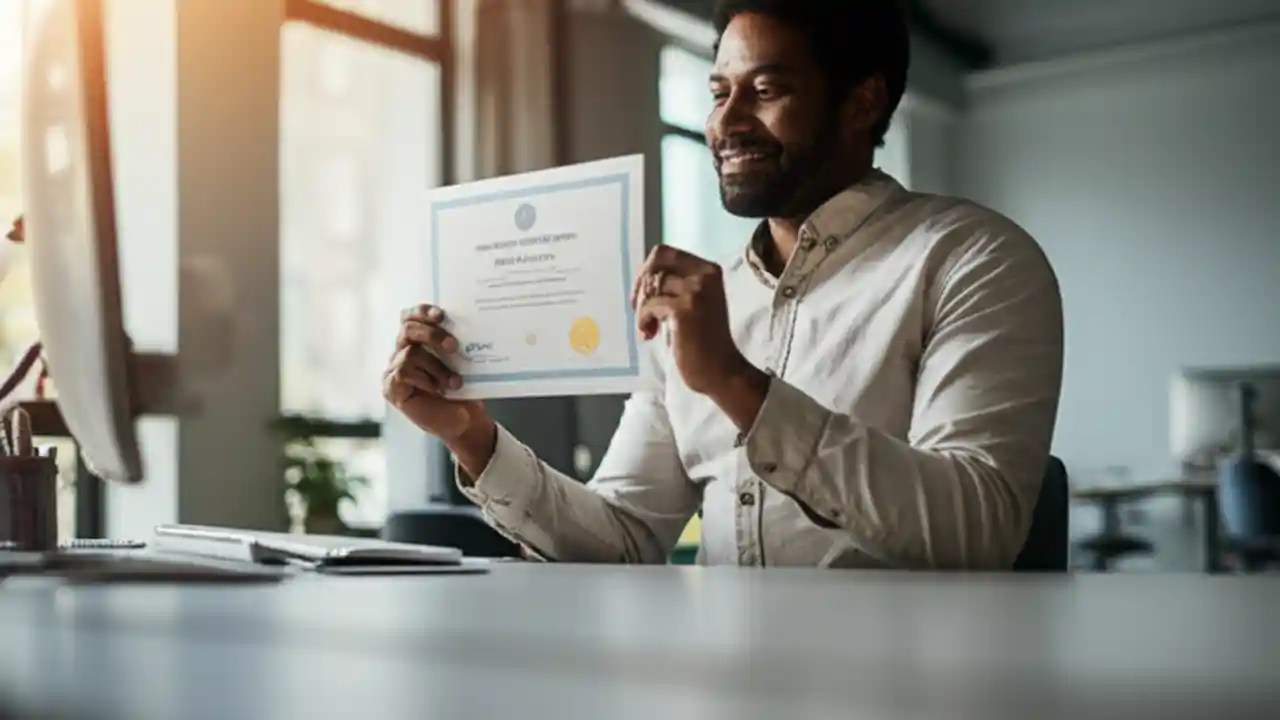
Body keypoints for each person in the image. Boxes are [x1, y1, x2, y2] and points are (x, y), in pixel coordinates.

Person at [384, 0, 1064, 569]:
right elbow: (625, 540)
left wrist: (738, 386)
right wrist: (471, 437)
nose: (727, 122)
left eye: (766, 91)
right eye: (719, 93)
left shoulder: (973, 259)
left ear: (862, 102)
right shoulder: (697, 309)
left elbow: (980, 533)